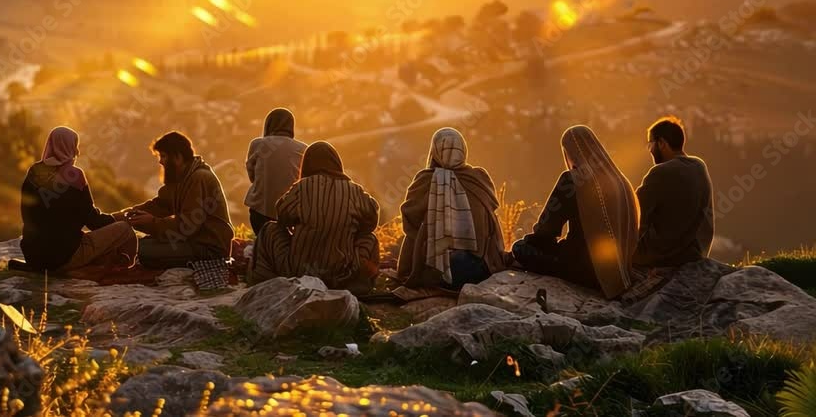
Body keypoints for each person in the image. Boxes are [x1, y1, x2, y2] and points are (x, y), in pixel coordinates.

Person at [512, 125, 639, 299]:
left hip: (588, 271)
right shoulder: (620, 181)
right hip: (620, 269)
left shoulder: (572, 180)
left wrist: (530, 240)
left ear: (570, 153)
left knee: (520, 248)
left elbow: (545, 230)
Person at [250, 141, 380, 294]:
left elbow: (282, 216)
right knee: (370, 239)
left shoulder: (301, 187)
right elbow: (371, 220)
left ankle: (266, 284)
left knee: (269, 229)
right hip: (342, 273)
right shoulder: (355, 190)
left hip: (298, 271)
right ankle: (360, 286)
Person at [397, 127, 508, 290]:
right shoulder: (479, 178)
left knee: (414, 239)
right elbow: (492, 213)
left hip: (438, 273)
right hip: (481, 269)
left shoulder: (425, 180)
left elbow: (410, 224)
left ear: (434, 150)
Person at [20, 126, 138, 272]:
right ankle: (125, 268)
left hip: (34, 257)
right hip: (63, 258)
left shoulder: (34, 172)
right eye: (75, 146)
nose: (78, 152)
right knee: (125, 229)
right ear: (70, 148)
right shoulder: (74, 176)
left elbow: (27, 214)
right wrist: (120, 218)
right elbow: (93, 221)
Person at [118, 131, 234, 269]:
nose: (160, 161)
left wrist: (153, 222)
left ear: (178, 157)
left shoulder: (199, 178)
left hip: (207, 248)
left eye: (163, 156)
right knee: (131, 243)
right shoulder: (181, 178)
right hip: (189, 242)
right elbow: (159, 205)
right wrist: (117, 218)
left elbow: (187, 226)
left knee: (137, 250)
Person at [632, 116, 714, 267]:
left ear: (662, 143)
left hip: (664, 256)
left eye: (650, 144)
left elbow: (634, 213)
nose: (649, 150)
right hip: (696, 253)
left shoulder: (660, 172)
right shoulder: (699, 166)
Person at [243, 108, 307, 236]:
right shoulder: (303, 148)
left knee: (264, 245)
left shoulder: (258, 144)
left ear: (268, 125)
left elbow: (253, 176)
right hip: (290, 212)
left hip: (260, 211)